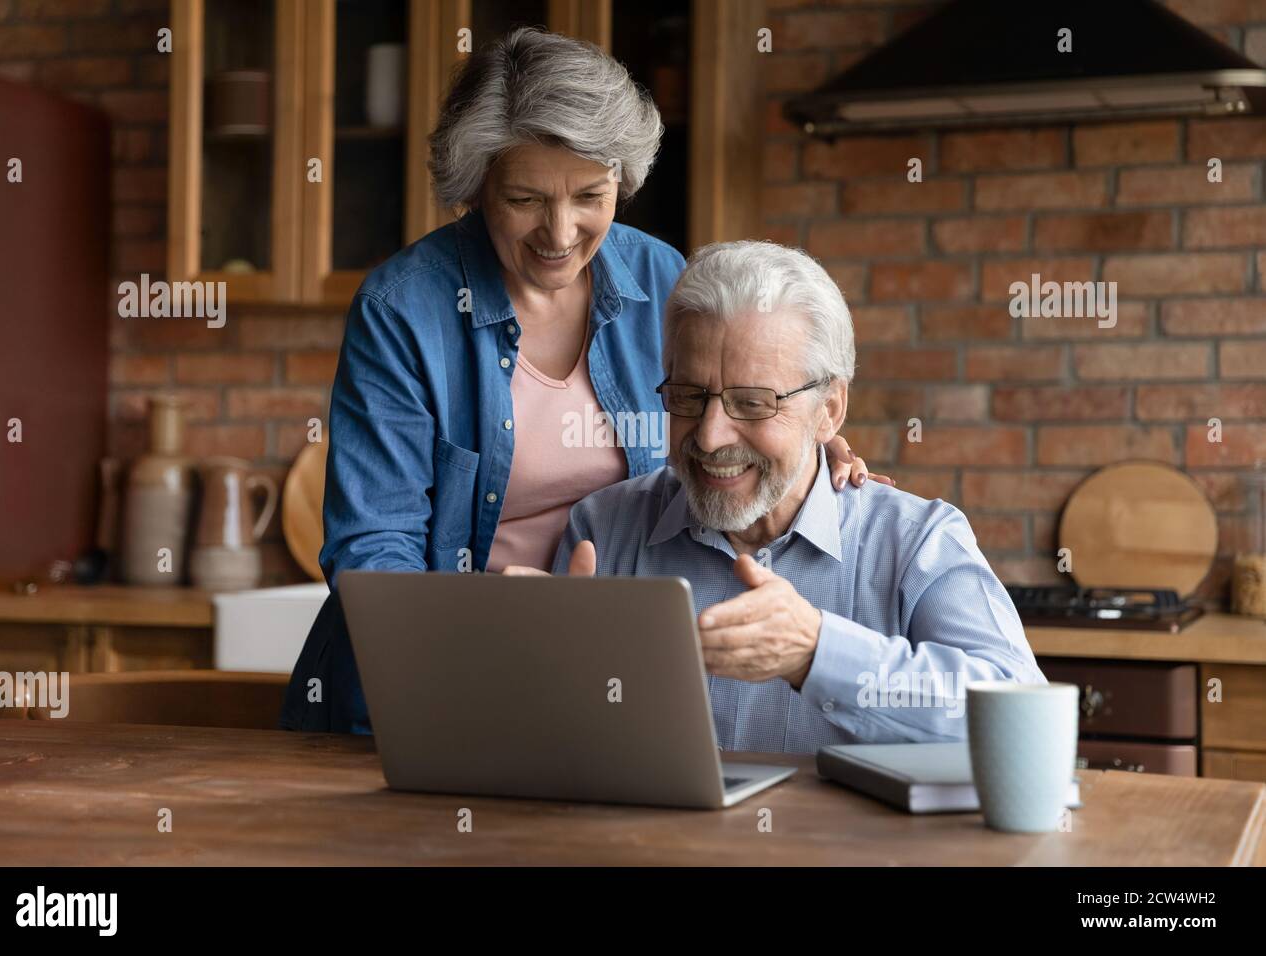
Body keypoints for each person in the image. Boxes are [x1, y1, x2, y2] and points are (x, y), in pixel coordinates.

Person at [280, 29, 888, 733]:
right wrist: (482, 637)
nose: (560, 232)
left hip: (606, 684)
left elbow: (726, 417)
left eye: (590, 196)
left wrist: (805, 453)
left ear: (621, 182)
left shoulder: (663, 279)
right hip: (428, 684)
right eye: (525, 199)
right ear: (476, 186)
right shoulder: (404, 309)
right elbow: (373, 548)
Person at [529, 241, 1045, 751]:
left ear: (829, 410)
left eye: (752, 404)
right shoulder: (602, 530)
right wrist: (540, 670)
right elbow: (544, 747)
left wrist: (817, 653)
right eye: (689, 396)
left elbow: (1026, 721)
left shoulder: (915, 541)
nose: (709, 437)